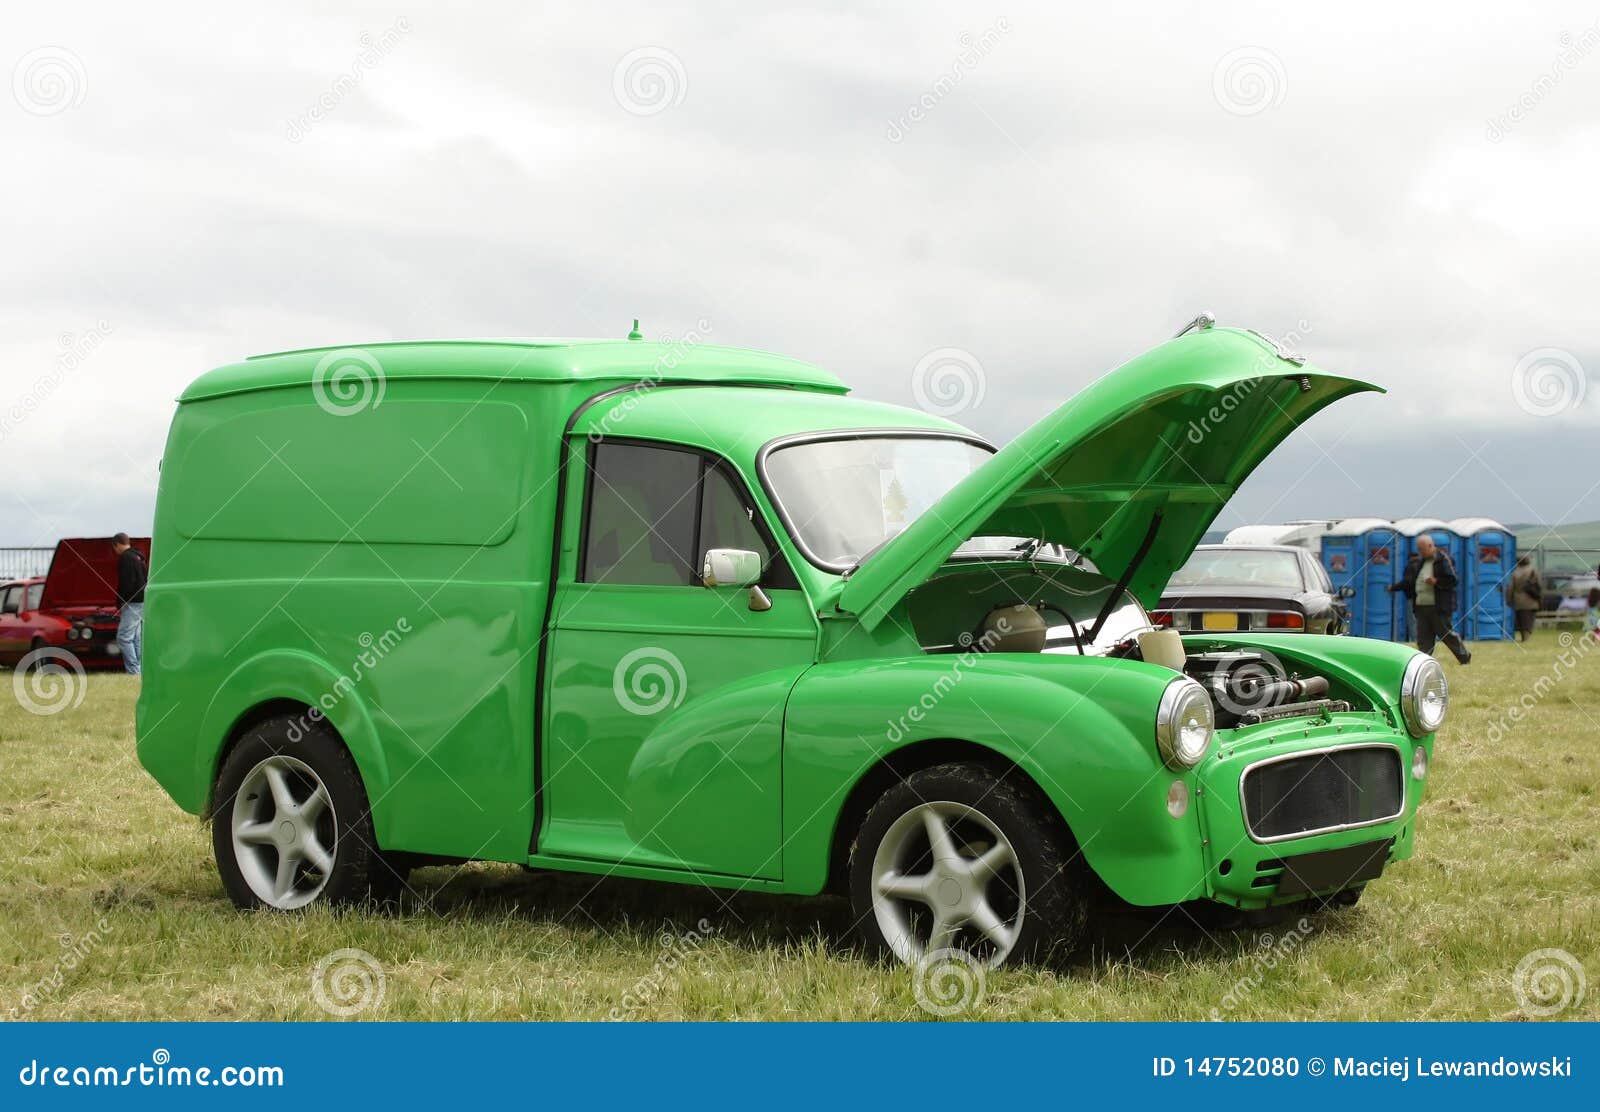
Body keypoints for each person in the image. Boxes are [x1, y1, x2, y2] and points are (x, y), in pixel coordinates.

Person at [1389, 534, 1471, 664]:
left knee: (1446, 634)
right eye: (1419, 549)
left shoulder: (1443, 559)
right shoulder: (1422, 561)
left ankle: (1464, 657)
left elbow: (1453, 580)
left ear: (1430, 546)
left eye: (1422, 549)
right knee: (1423, 636)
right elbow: (1412, 581)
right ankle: (1424, 662)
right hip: (1422, 605)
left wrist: (1436, 581)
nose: (1420, 552)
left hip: (1438, 606)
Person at [112, 533, 147, 675]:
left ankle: (134, 671)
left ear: (117, 544)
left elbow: (126, 583)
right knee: (136, 637)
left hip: (132, 602)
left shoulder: (125, 558)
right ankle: (140, 669)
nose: (115, 552)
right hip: (143, 601)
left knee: (124, 637)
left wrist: (120, 602)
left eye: (114, 548)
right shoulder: (139, 557)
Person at [1506, 554, 1542, 643]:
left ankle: (1523, 637)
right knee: (1529, 619)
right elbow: (1539, 585)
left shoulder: (1515, 573)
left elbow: (1511, 588)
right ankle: (1526, 637)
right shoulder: (1533, 571)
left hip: (1518, 600)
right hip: (1531, 599)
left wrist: (1509, 599)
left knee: (1521, 619)